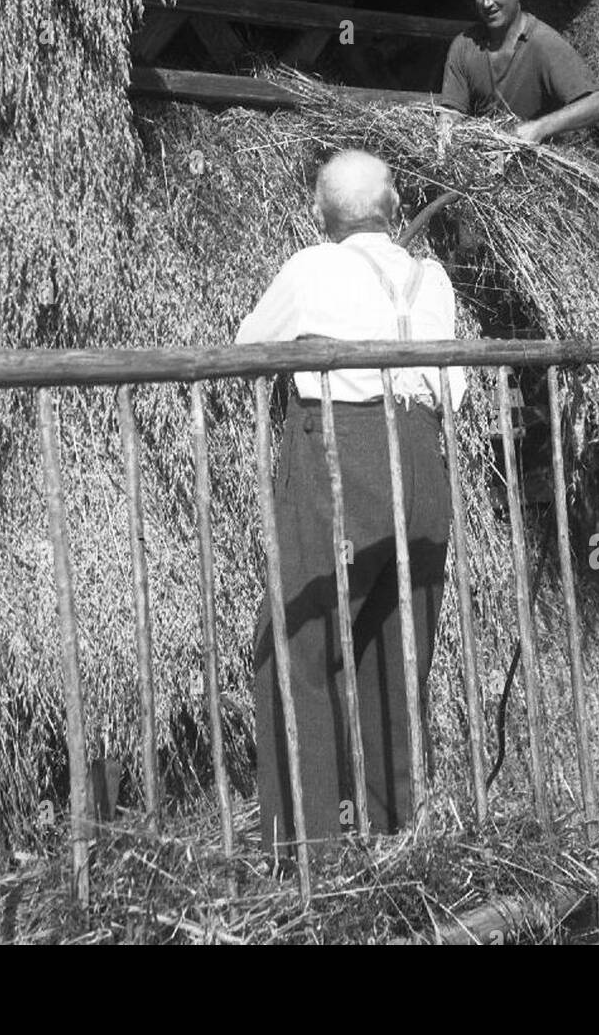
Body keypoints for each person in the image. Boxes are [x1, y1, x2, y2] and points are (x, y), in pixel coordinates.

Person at [236, 150, 466, 860]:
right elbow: (452, 387)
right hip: (424, 462)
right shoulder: (432, 276)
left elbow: (248, 345)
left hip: (341, 453)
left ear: (317, 212)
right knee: (396, 652)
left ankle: (308, 852)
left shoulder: (311, 268)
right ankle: (391, 834)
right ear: (394, 204)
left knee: (293, 647)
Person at [440, 0, 599, 146]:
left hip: (534, 165)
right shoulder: (464, 45)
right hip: (481, 162)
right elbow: (452, 111)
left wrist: (538, 128)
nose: (487, 3)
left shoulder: (543, 43)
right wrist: (447, 126)